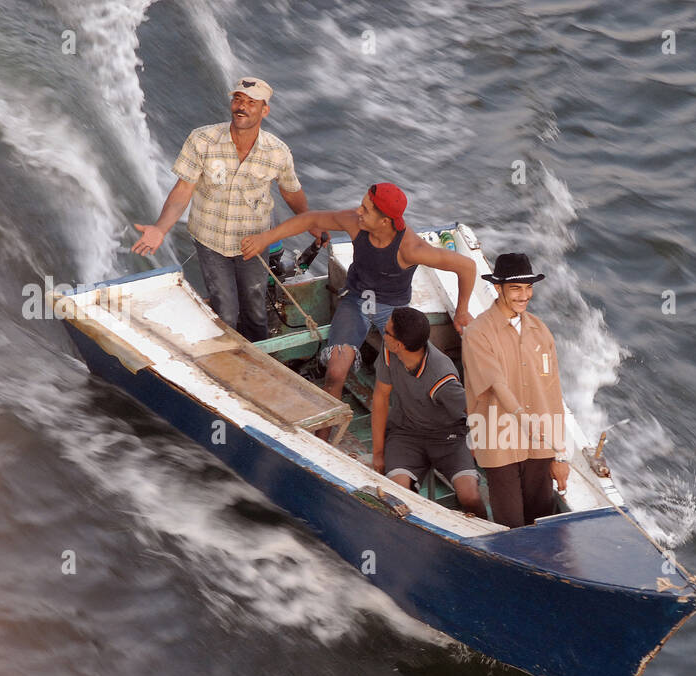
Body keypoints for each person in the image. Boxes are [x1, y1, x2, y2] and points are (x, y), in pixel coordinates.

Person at [240, 183, 475, 439]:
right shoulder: (356, 222)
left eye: (366, 209)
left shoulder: (411, 248)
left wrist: (462, 311)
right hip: (355, 301)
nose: (358, 211)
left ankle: (443, 433)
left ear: (385, 221)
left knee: (419, 375)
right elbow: (313, 218)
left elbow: (466, 267)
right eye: (362, 204)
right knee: (336, 372)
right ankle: (322, 443)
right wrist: (265, 239)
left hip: (392, 310)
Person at [131, 77, 313, 342]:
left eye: (251, 102)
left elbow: (291, 191)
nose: (242, 106)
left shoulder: (277, 152)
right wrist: (160, 228)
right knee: (226, 314)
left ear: (265, 111)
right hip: (211, 241)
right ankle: (228, 361)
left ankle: (259, 364)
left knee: (255, 311)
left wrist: (311, 222)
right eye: (238, 99)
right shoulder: (202, 140)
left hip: (254, 243)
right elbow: (183, 190)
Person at [461, 253, 570, 528]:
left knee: (543, 517)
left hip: (540, 440)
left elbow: (553, 394)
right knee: (511, 523)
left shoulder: (541, 331)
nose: (525, 296)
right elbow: (495, 382)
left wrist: (559, 454)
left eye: (528, 288)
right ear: (498, 289)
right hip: (496, 437)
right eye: (516, 289)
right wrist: (522, 418)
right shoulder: (477, 333)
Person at [371, 307, 485, 515]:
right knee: (397, 495)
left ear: (399, 345)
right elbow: (381, 397)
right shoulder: (389, 351)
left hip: (448, 438)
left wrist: (477, 444)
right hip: (406, 434)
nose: (383, 334)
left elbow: (475, 409)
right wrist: (378, 453)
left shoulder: (442, 376)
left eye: (386, 332)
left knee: (470, 496)